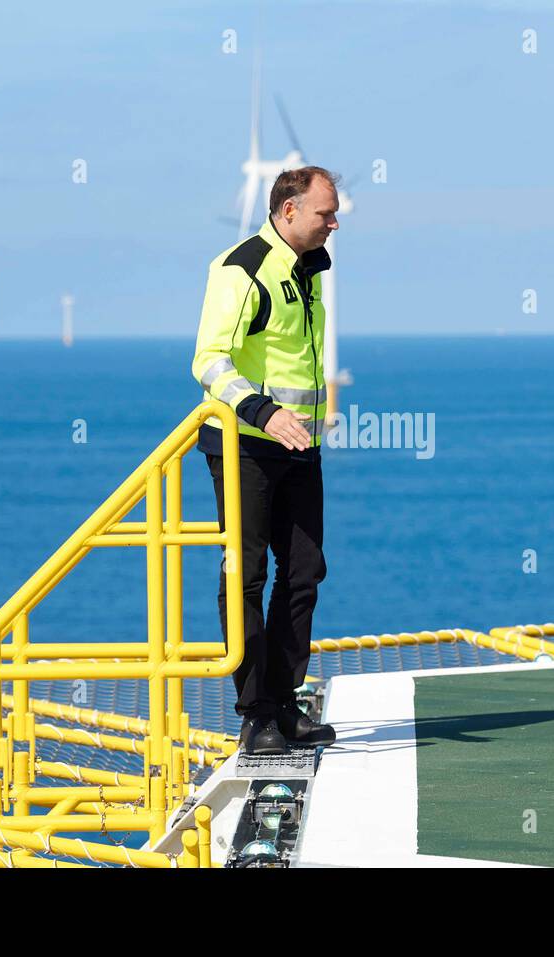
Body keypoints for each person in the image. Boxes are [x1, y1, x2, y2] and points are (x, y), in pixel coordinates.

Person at [191, 166, 341, 755]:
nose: (334, 223)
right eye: (325, 213)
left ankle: (283, 699)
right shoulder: (242, 267)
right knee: (246, 575)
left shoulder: (306, 272)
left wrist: (300, 424)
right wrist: (263, 412)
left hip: (299, 445)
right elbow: (208, 360)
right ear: (287, 212)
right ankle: (255, 714)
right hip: (245, 443)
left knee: (305, 572)